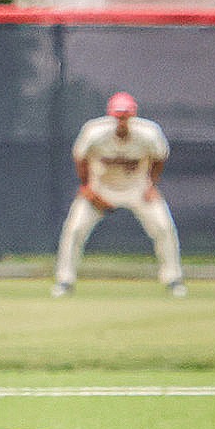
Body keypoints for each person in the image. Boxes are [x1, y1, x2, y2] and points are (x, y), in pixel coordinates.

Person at [52, 91, 185, 298]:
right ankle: (64, 281)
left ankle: (173, 280)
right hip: (101, 188)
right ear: (110, 115)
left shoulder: (149, 133)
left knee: (163, 227)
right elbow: (80, 158)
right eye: (117, 116)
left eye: (125, 117)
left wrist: (151, 185)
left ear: (133, 116)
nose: (121, 121)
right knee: (74, 229)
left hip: (137, 188)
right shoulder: (94, 132)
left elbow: (159, 158)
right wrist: (87, 187)